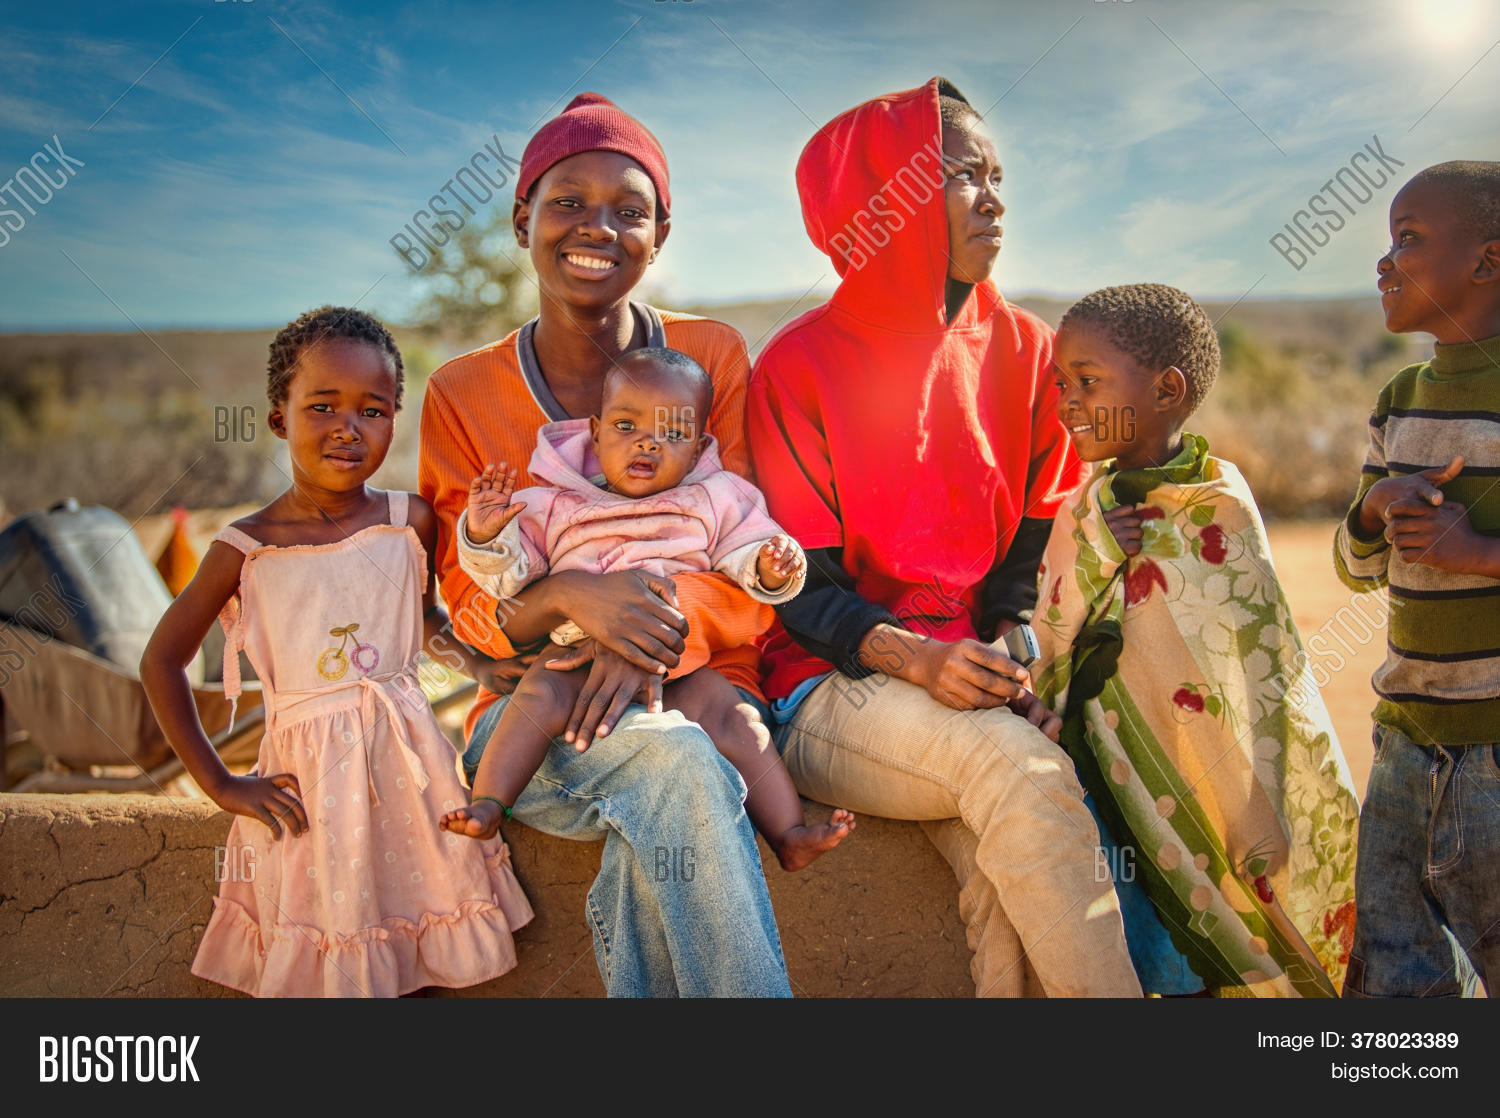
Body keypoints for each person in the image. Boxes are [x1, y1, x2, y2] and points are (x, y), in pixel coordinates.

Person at [748, 77, 1141, 997]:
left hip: (969, 683)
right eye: (963, 175)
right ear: (881, 202)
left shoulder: (1027, 347)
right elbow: (798, 594)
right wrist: (920, 662)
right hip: (832, 687)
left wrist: (1014, 664)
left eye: (998, 174)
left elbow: (1020, 568)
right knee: (1028, 775)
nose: (995, 199)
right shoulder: (798, 364)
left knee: (1003, 876)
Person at [418, 92, 792, 996]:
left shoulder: (711, 358)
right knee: (672, 765)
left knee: (672, 768)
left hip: (703, 696)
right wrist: (566, 601)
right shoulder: (464, 394)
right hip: (543, 727)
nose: (598, 227)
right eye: (567, 202)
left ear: (660, 234)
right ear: (522, 221)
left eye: (629, 210)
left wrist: (651, 627)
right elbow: (471, 608)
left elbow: (746, 559)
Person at [139, 306, 533, 997]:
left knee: (422, 939)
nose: (348, 427)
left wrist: (480, 664)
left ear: (394, 419)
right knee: (336, 949)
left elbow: (426, 619)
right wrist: (221, 784)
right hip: (310, 787)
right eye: (322, 405)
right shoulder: (245, 548)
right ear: (279, 418)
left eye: (373, 410)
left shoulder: (407, 520)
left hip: (413, 767)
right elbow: (160, 662)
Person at [1032, 283, 1360, 997]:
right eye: (1062, 384)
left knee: (1234, 926)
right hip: (1115, 769)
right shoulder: (1085, 507)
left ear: (1167, 389)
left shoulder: (1221, 502)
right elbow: (1050, 634)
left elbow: (1260, 657)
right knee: (1154, 941)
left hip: (1212, 766)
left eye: (1087, 383)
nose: (1066, 403)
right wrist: (1092, 551)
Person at [440, 347, 855, 871]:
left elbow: (750, 553)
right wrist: (484, 532)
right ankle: (488, 803)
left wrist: (773, 567)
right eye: (626, 425)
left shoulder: (715, 497)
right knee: (538, 692)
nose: (648, 443)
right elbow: (507, 578)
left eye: (673, 435)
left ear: (701, 445)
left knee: (737, 717)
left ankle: (789, 833)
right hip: (579, 654)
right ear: (595, 432)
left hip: (679, 660)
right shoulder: (555, 504)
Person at [1333, 160, 1500, 998]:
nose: (1384, 262)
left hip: (1496, 747)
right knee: (1397, 968)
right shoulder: (1398, 401)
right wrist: (1372, 516)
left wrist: (1475, 553)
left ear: (1487, 262)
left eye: (1409, 239)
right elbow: (1358, 568)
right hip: (1404, 740)